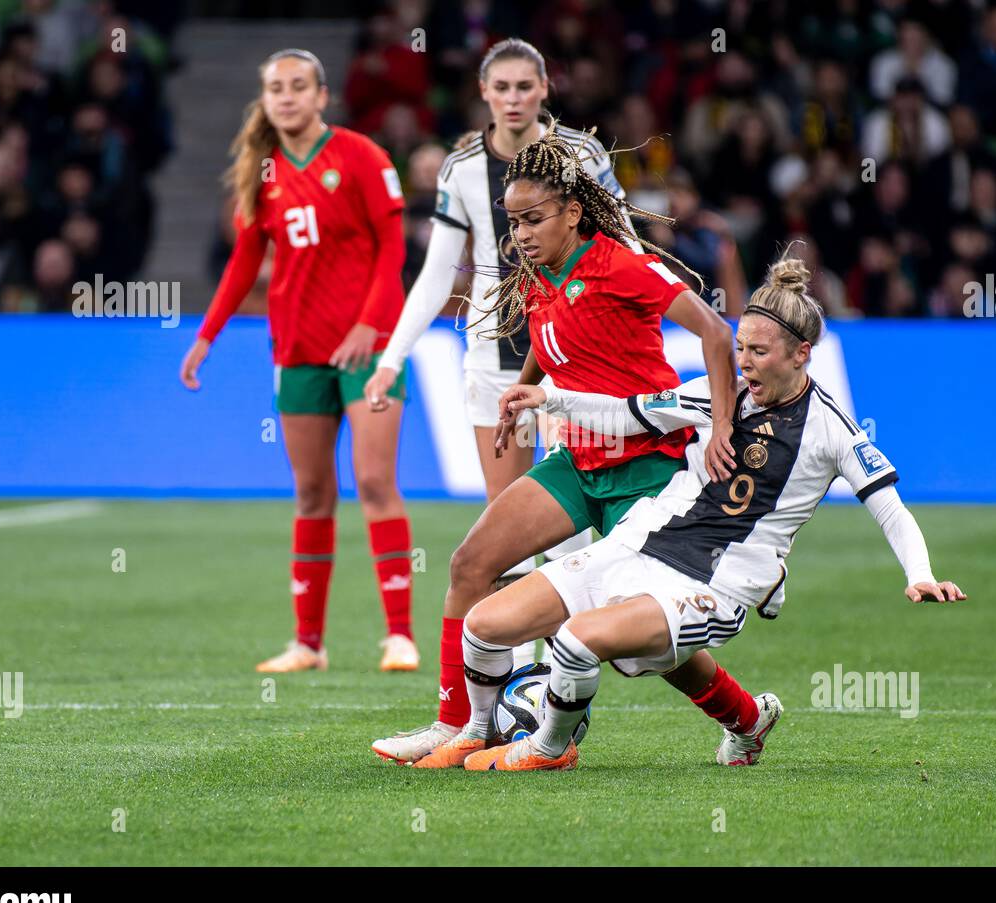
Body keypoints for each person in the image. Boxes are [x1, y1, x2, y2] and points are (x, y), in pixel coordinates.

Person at [451, 249, 966, 771]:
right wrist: (549, 399)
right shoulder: (719, 395)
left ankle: (547, 749)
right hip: (641, 544)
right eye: (740, 347)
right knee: (484, 624)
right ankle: (472, 733)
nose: (743, 362)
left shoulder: (833, 429)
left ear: (801, 354)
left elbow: (890, 508)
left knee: (576, 641)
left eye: (759, 352)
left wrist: (920, 574)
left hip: (712, 585)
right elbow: (629, 414)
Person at [395, 125, 777, 770]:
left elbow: (716, 333)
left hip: (650, 469)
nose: (520, 234)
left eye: (533, 219)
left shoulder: (621, 264)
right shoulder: (538, 277)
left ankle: (745, 716)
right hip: (577, 461)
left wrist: (717, 426)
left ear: (574, 212)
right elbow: (550, 349)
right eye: (512, 222)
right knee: (469, 563)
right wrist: (520, 393)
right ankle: (458, 722)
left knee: (639, 649)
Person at [363, 39, 605, 686]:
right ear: (484, 92)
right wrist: (391, 358)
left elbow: (622, 247)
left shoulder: (582, 156)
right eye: (502, 87)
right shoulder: (462, 167)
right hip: (493, 363)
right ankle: (525, 678)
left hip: (571, 363)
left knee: (570, 526)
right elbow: (438, 273)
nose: (515, 98)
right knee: (508, 528)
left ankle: (567, 672)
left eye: (526, 85)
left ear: (546, 88)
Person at [178, 50, 415, 674]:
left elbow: (393, 254)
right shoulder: (264, 171)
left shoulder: (361, 156)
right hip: (298, 349)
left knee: (372, 481)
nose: (285, 97)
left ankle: (399, 635)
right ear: (266, 99)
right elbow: (242, 263)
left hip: (369, 350)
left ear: (321, 95)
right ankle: (307, 644)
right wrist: (207, 336)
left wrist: (370, 324)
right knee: (312, 493)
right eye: (275, 88)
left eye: (297, 87)